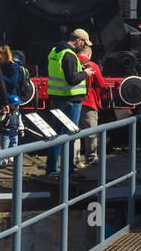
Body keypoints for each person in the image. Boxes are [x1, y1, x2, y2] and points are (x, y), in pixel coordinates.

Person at [45, 29, 94, 177]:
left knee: (55, 134)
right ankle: (69, 171)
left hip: (57, 98)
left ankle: (51, 170)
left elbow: (62, 71)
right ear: (79, 40)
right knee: (70, 137)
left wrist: (79, 69)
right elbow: (72, 79)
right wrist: (85, 73)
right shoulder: (70, 54)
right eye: (84, 43)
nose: (84, 46)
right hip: (71, 101)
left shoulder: (55, 51)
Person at [72, 45, 107, 169]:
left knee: (74, 131)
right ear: (89, 54)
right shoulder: (92, 65)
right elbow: (102, 85)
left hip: (72, 101)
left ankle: (75, 159)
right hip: (88, 101)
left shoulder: (71, 62)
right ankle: (91, 158)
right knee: (91, 131)